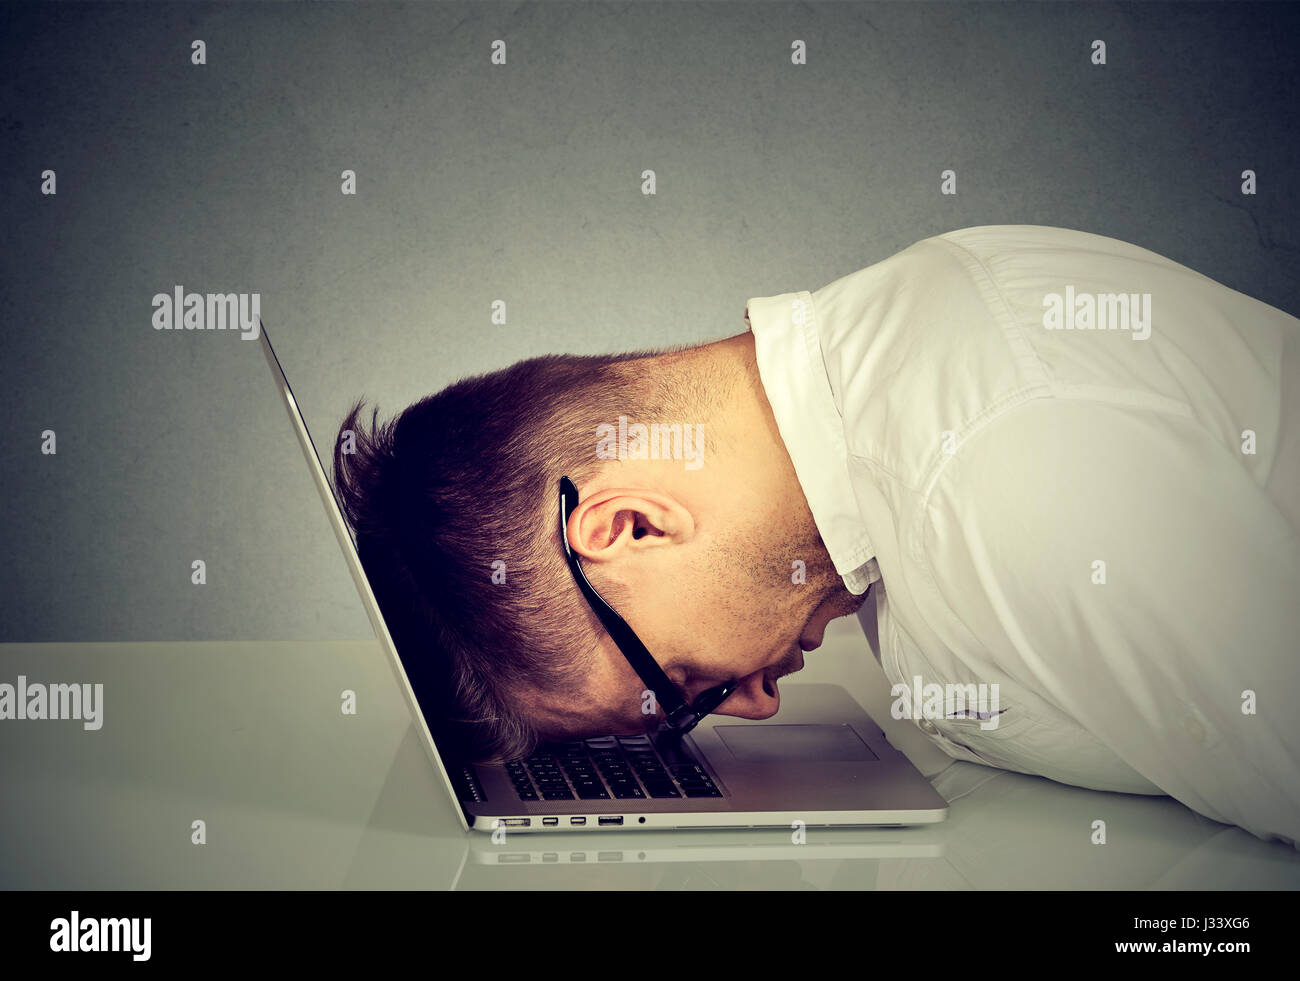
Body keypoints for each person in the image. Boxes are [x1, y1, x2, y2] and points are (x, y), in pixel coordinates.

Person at [333, 225, 1300, 846]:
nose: (750, 707)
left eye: (677, 694)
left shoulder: (1007, 475)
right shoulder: (895, 369)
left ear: (628, 525)